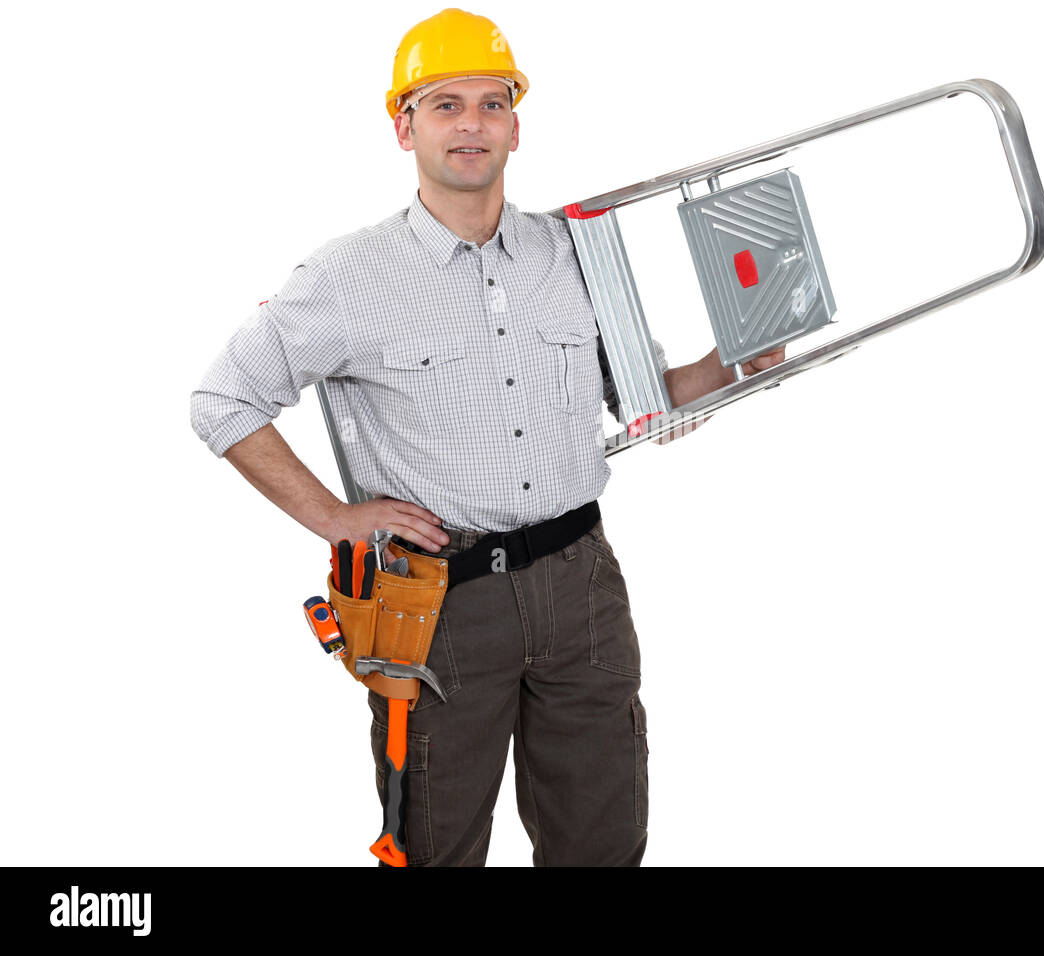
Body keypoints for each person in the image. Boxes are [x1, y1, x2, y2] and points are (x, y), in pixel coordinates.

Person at [190, 8, 785, 866]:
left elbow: (645, 398)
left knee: (603, 839)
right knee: (437, 846)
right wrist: (332, 516)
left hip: (583, 588)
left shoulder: (575, 251)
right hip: (438, 607)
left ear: (515, 124)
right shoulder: (347, 277)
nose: (471, 124)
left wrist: (734, 361)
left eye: (491, 103)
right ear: (404, 127)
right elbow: (223, 400)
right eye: (445, 105)